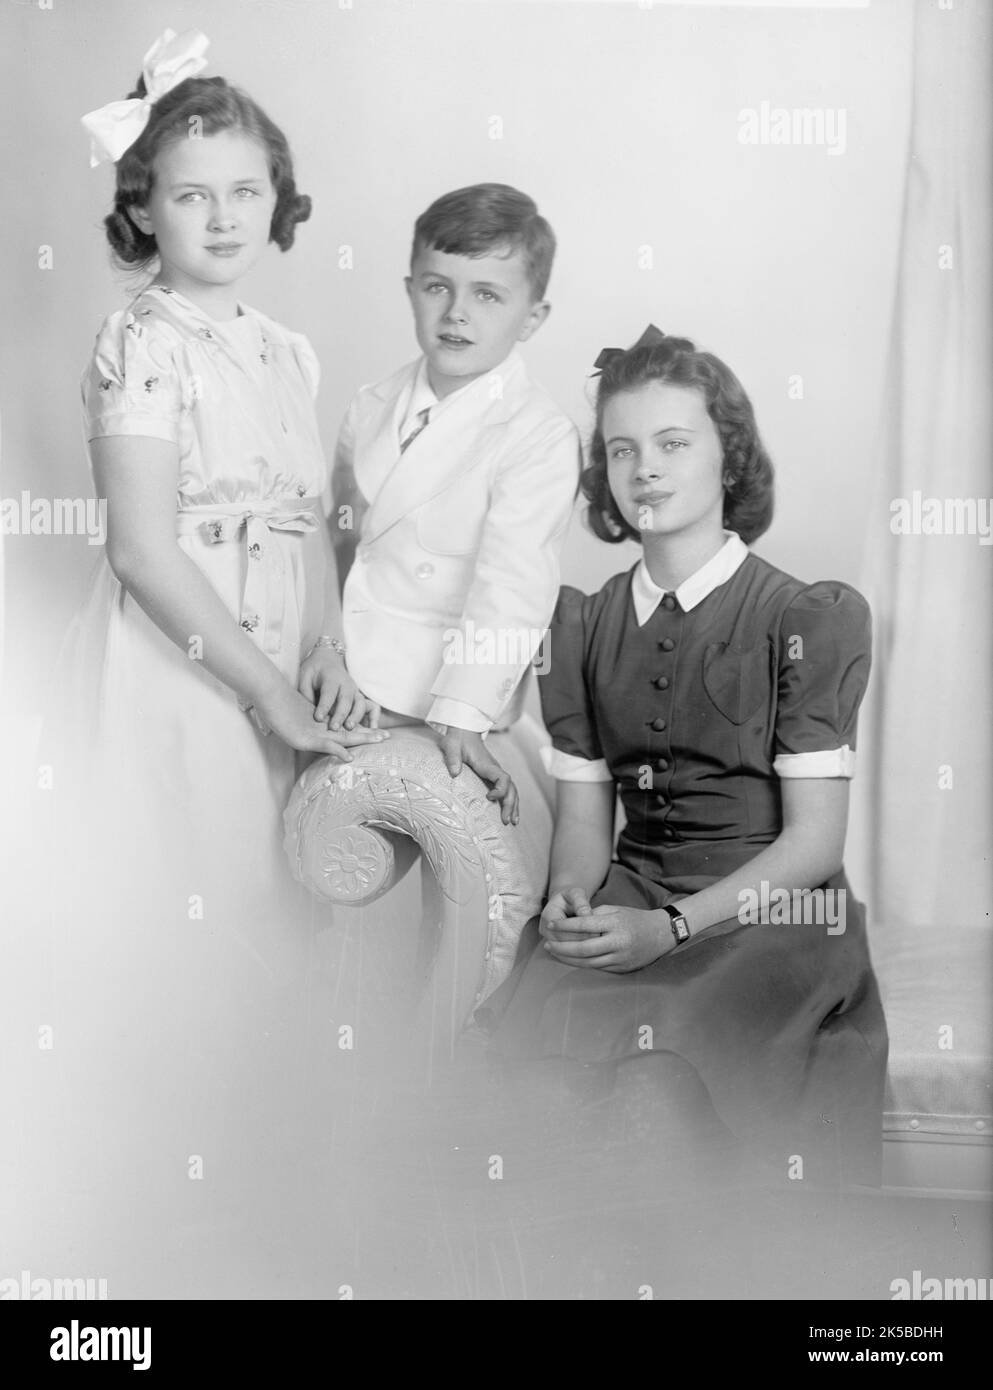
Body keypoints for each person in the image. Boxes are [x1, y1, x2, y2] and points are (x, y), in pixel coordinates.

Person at [40, 31, 387, 1282]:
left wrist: (332, 645)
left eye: (246, 189)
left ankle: (260, 1223)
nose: (223, 215)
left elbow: (323, 523)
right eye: (191, 193)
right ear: (143, 204)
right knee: (194, 923)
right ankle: (149, 1244)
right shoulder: (142, 343)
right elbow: (142, 552)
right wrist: (269, 696)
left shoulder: (285, 350)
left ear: (277, 196)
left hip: (282, 653)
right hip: (182, 664)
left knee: (285, 919)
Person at [482, 326, 889, 1192]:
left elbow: (814, 846)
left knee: (653, 1097)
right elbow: (587, 825)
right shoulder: (581, 626)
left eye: (673, 443)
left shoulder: (801, 618)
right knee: (536, 1089)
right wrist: (570, 899)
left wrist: (665, 929)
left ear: (728, 459)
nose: (645, 471)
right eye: (622, 449)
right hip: (634, 892)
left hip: (772, 913)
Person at [330, 183, 581, 828]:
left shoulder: (538, 434)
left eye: (488, 294)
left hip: (430, 687)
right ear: (410, 287)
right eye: (437, 286)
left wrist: (462, 712)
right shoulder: (370, 405)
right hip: (342, 675)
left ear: (532, 317)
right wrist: (323, 651)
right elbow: (337, 548)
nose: (456, 313)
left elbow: (513, 586)